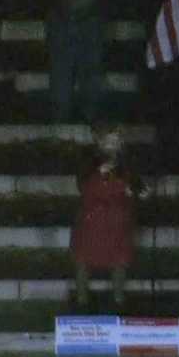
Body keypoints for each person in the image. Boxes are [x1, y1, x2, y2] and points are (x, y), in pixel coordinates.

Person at [72, 124, 148, 308]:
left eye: (116, 141)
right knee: (83, 260)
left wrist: (139, 191)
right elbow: (83, 185)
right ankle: (81, 298)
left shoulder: (126, 163)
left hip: (118, 220)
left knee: (119, 261)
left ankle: (118, 298)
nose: (112, 145)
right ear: (100, 142)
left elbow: (137, 186)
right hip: (93, 220)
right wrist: (104, 176)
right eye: (108, 141)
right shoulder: (89, 161)